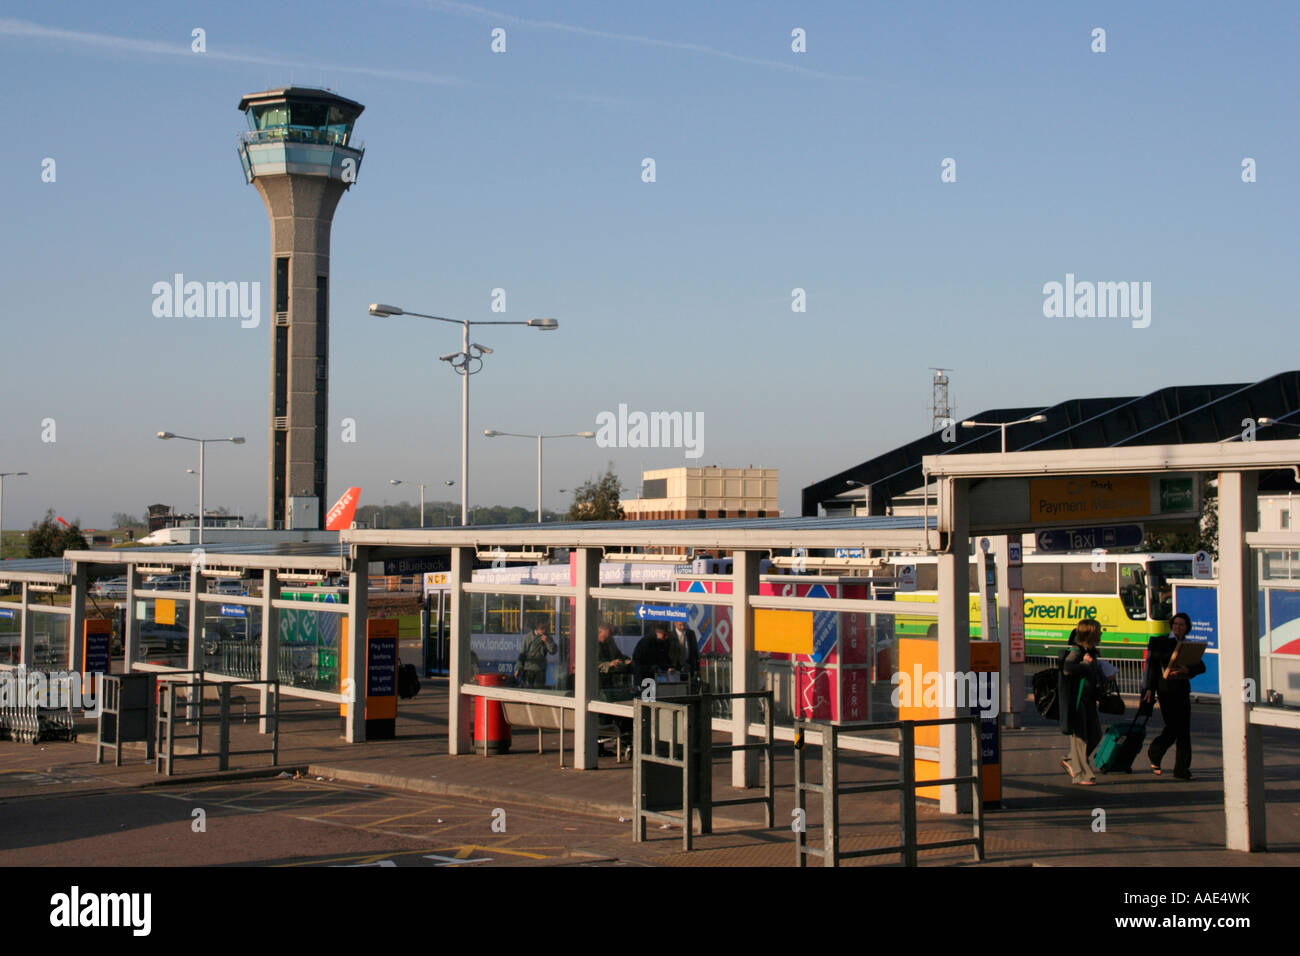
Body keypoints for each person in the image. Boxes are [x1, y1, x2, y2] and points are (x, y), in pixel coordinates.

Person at [1143, 611, 1205, 780]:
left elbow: (1201, 667)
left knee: (1184, 730)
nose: (1178, 627)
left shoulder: (1189, 644)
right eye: (1176, 624)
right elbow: (1153, 666)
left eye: (1182, 625)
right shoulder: (1160, 641)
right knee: (1173, 726)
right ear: (1172, 625)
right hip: (1166, 690)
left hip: (1182, 689)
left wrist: (1188, 670)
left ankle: (1182, 769)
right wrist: (1149, 688)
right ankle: (1155, 751)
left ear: (1187, 627)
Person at [1059, 619, 1104, 785]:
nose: (1101, 634)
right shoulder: (1076, 652)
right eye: (1098, 631)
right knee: (1080, 738)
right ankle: (1081, 774)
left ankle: (1071, 760)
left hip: (1089, 698)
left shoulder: (1092, 651)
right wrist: (1086, 664)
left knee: (1095, 735)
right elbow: (1067, 669)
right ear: (1090, 633)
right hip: (1077, 699)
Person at [514, 621, 557, 688]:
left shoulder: (547, 637)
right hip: (528, 669)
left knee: (539, 690)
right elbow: (522, 654)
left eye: (545, 628)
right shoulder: (528, 637)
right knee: (528, 689)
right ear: (537, 628)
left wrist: (547, 642)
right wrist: (518, 669)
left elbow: (553, 651)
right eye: (542, 628)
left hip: (540, 669)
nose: (544, 630)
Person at [596, 624, 632, 688]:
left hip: (610, 680)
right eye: (608, 635)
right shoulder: (592, 645)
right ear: (599, 633)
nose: (610, 637)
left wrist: (626, 660)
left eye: (610, 635)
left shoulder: (609, 641)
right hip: (598, 681)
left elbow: (618, 655)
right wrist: (609, 664)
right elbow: (590, 664)